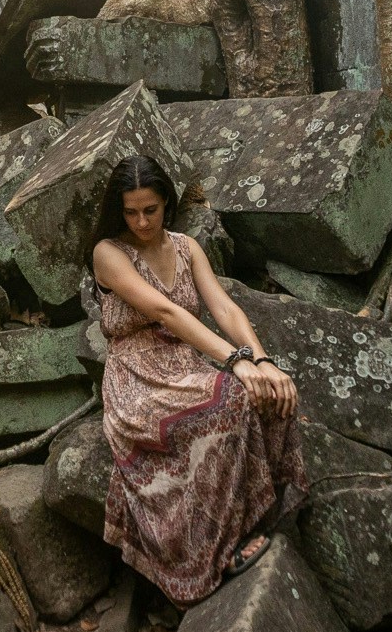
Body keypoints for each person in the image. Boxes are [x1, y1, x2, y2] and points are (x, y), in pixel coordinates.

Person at [88, 154, 306, 604]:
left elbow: (224, 308)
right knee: (230, 398)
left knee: (266, 389)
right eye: (131, 212)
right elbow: (165, 310)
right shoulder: (108, 253)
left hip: (186, 364)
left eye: (151, 210)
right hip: (137, 377)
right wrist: (235, 361)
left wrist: (263, 361)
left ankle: (260, 518)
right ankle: (214, 551)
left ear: (167, 203)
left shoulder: (186, 247)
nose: (141, 221)